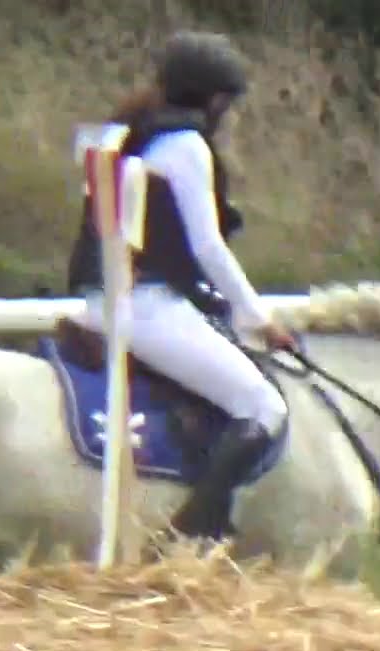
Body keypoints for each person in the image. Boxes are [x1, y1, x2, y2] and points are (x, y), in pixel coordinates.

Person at [66, 30, 298, 542]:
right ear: (214, 99)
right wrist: (258, 318)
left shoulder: (127, 131)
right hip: (146, 307)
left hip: (103, 296)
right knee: (265, 406)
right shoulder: (187, 144)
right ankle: (197, 529)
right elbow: (208, 247)